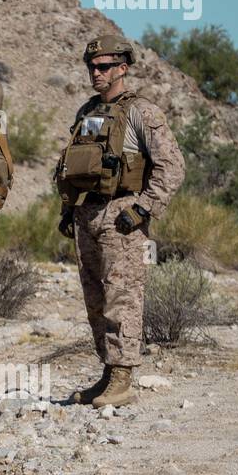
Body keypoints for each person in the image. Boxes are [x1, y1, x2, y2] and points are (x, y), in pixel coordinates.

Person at [55, 35, 185, 408]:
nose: (96, 73)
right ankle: (107, 373)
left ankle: (124, 376)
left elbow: (172, 167)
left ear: (123, 68)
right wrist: (69, 209)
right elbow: (72, 163)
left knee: (122, 297)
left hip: (122, 215)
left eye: (104, 67)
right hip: (88, 212)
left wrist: (144, 208)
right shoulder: (87, 111)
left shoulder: (142, 112)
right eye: (92, 67)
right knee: (95, 299)